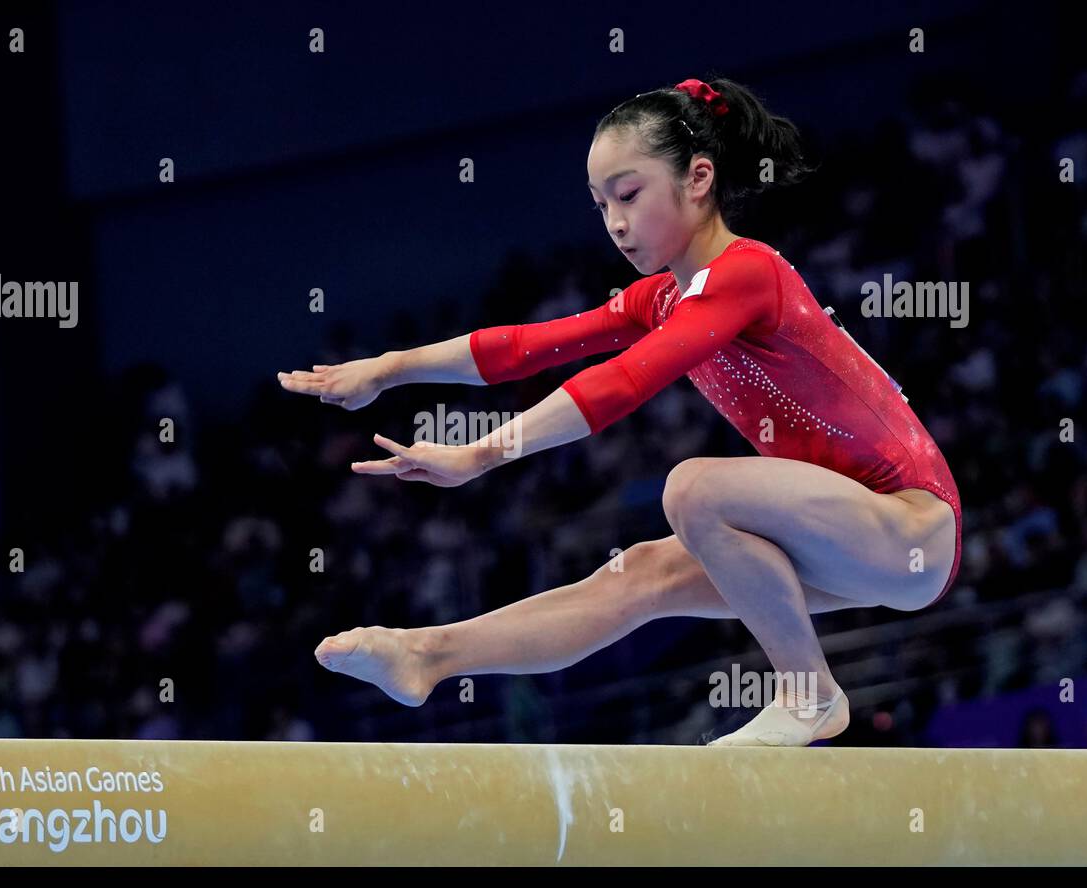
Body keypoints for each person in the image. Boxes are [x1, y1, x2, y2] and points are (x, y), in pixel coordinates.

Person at [277, 77, 961, 746]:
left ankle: (810, 695)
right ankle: (431, 655)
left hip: (911, 527)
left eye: (629, 194)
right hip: (838, 539)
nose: (617, 224)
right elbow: (522, 348)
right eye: (600, 206)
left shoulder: (747, 272)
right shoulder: (665, 298)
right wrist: (391, 369)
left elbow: (625, 381)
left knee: (696, 489)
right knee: (640, 575)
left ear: (698, 179)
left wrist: (482, 453)